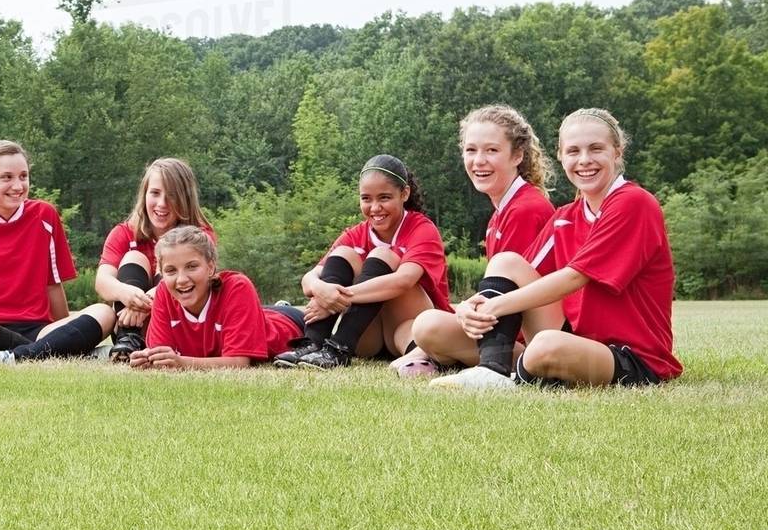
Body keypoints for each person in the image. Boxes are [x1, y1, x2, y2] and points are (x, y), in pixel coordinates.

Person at [427, 108, 682, 389]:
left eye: (596, 149)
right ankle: (493, 370)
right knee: (504, 263)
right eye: (573, 151)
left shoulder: (633, 202)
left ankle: (513, 377)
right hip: (577, 339)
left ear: (617, 152)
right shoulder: (565, 216)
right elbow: (513, 277)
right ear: (561, 156)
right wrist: (469, 307)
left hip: (634, 358)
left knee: (547, 345)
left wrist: (494, 306)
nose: (584, 160)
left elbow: (575, 276)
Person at [399, 105, 555, 377]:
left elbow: (516, 299)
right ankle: (440, 356)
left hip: (538, 336)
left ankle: (492, 364)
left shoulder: (526, 209)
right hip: (517, 331)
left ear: (517, 155)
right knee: (428, 326)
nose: (478, 160)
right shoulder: (501, 213)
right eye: (471, 150)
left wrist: (464, 317)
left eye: (491, 150)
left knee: (428, 327)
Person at [0, 139, 115, 364]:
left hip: (39, 330)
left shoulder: (45, 215)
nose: (18, 186)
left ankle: (14, 357)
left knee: (105, 312)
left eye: (23, 176)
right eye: (7, 177)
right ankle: (64, 354)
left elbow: (53, 284)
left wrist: (67, 331)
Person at [273, 154, 451, 370]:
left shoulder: (422, 229)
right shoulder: (355, 233)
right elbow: (309, 279)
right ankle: (314, 344)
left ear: (404, 193)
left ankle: (339, 348)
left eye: (384, 197)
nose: (375, 207)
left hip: (408, 326)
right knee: (345, 253)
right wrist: (322, 291)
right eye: (366, 199)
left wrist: (338, 298)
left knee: (382, 255)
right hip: (369, 335)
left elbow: (404, 281)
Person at [129, 226, 302, 370]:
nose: (181, 279)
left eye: (191, 266)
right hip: (255, 314)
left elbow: (239, 363)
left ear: (210, 267)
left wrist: (182, 363)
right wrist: (149, 359)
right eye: (171, 270)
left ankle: (278, 306)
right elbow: (163, 356)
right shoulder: (163, 292)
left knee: (263, 314)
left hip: (290, 321)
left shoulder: (237, 286)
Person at [95, 157, 216, 363]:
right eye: (155, 193)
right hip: (129, 322)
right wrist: (128, 294)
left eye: (171, 196)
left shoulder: (200, 237)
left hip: (176, 327)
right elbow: (102, 281)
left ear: (185, 199)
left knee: (173, 263)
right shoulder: (124, 233)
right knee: (134, 257)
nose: (162, 204)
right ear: (144, 195)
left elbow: (203, 283)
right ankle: (129, 338)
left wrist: (146, 301)